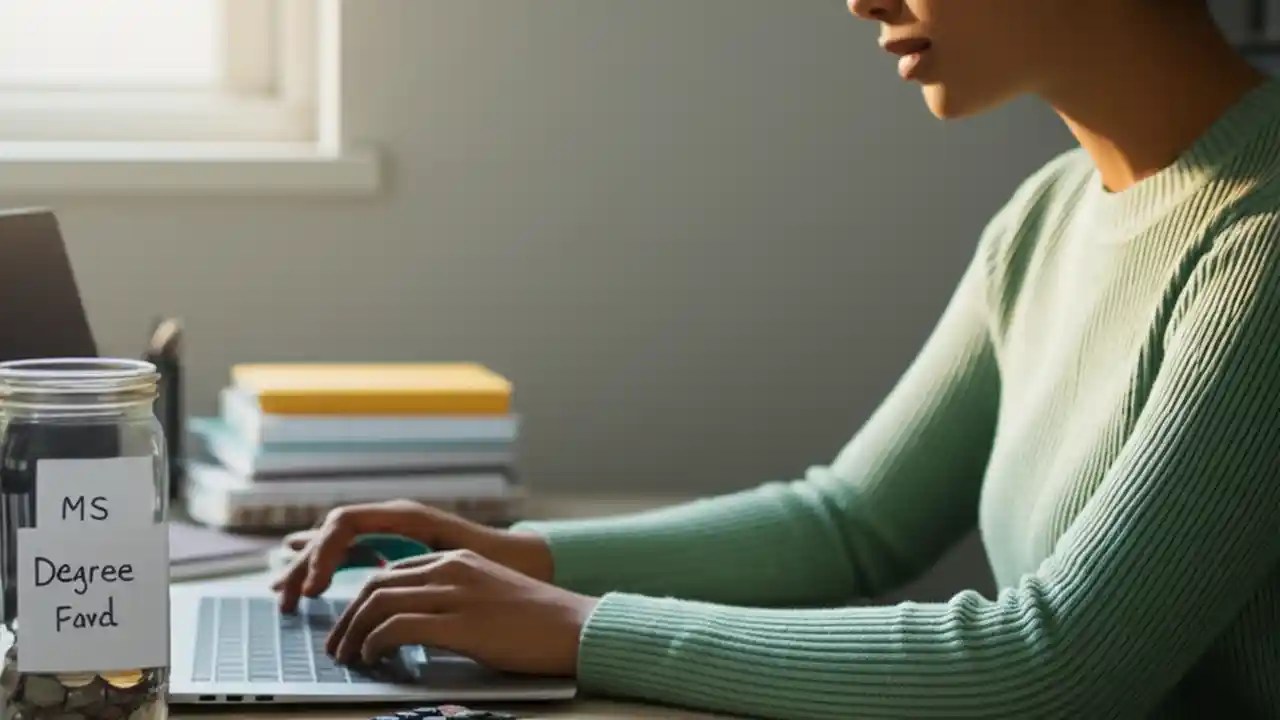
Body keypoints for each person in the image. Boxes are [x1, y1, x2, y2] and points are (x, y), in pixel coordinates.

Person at [274, 0, 1280, 716]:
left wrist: (580, 628)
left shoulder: (1262, 242)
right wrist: (513, 559)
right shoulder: (1049, 213)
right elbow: (846, 525)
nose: (860, 1)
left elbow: (1052, 666)